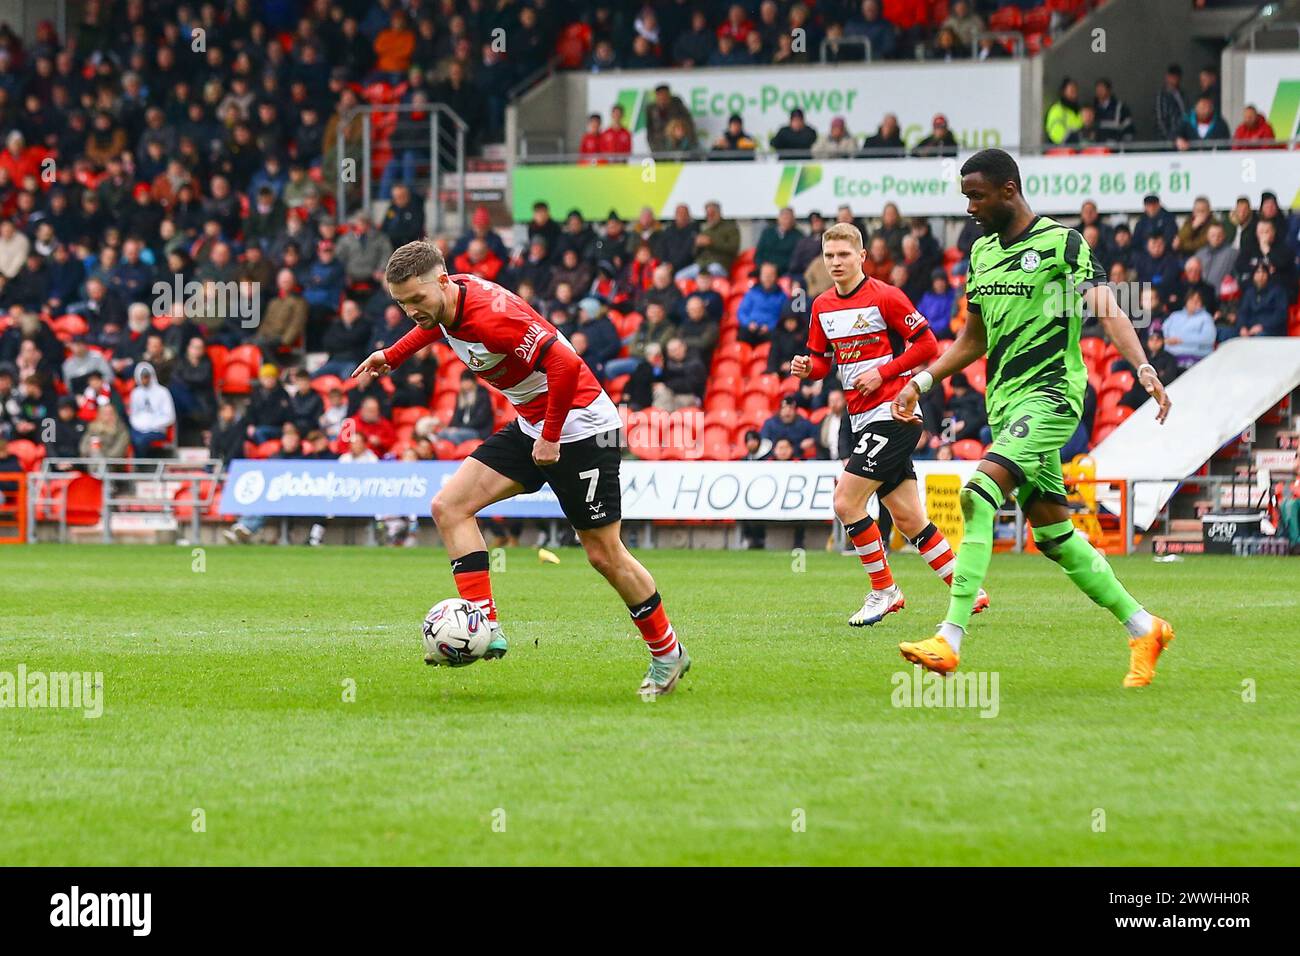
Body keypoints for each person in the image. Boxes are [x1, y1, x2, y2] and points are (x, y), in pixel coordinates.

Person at [351, 241, 690, 696]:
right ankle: (484, 626)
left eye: (417, 299)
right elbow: (435, 326)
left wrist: (551, 437)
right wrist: (392, 355)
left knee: (603, 553)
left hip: (581, 427)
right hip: (535, 424)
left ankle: (668, 652)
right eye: (402, 302)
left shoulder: (492, 315)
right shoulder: (445, 304)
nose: (412, 310)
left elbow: (565, 364)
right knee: (449, 507)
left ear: (444, 282)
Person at [891, 148, 1173, 687]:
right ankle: (1145, 627)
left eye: (977, 195)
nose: (970, 207)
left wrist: (1141, 367)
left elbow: (1106, 307)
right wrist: (921, 381)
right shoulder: (980, 255)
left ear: (1008, 190)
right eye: (965, 196)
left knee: (977, 495)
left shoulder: (1062, 243)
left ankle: (949, 639)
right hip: (1005, 403)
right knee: (1053, 535)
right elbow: (973, 339)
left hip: (1050, 396)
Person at [792, 221, 989, 626]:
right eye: (830, 256)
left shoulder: (886, 296)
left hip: (894, 412)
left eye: (844, 255)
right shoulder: (821, 306)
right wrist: (806, 367)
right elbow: (821, 364)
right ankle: (967, 589)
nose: (836, 263)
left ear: (862, 257)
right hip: (861, 417)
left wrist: (884, 373)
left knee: (846, 501)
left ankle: (884, 590)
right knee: (909, 518)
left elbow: (928, 344)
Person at [126, 361, 175, 456]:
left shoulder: (162, 392)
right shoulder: (135, 393)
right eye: (142, 377)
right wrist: (141, 425)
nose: (145, 380)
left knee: (140, 441)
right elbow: (133, 415)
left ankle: (142, 466)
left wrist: (152, 425)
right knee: (127, 438)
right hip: (139, 428)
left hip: (157, 429)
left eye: (147, 376)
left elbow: (170, 416)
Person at [736, 262, 787, 346]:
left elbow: (782, 317)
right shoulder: (752, 292)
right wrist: (749, 323)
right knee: (742, 332)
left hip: (769, 331)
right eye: (765, 274)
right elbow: (742, 312)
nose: (767, 278)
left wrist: (770, 326)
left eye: (771, 275)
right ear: (760, 276)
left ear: (776, 276)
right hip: (751, 329)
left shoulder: (782, 296)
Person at [439, 370, 495, 444]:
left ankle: (460, 454)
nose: (465, 384)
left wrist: (460, 428)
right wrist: (451, 427)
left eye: (467, 381)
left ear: (473, 381)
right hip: (463, 428)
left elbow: (481, 418)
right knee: (441, 434)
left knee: (454, 435)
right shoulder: (461, 395)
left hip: (478, 430)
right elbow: (456, 415)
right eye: (463, 381)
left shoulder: (482, 394)